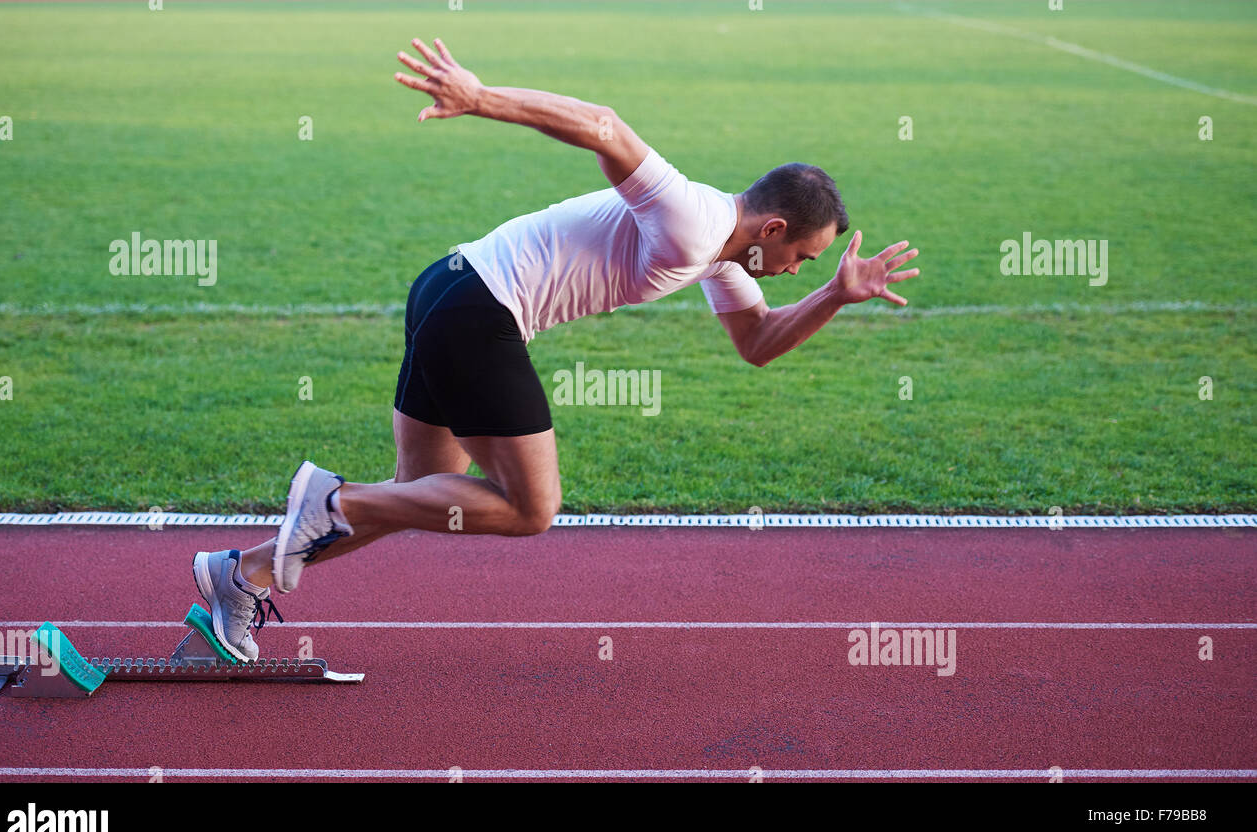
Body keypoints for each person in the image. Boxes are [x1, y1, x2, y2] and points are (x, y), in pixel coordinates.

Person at [192, 38, 921, 661]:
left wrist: (835, 297)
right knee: (530, 507)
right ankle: (329, 498)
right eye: (802, 258)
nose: (799, 272)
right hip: (483, 310)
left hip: (446, 287)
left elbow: (758, 343)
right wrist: (481, 98)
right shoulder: (695, 219)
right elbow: (606, 126)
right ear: (771, 229)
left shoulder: (721, 255)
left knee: (417, 494)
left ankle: (244, 574)